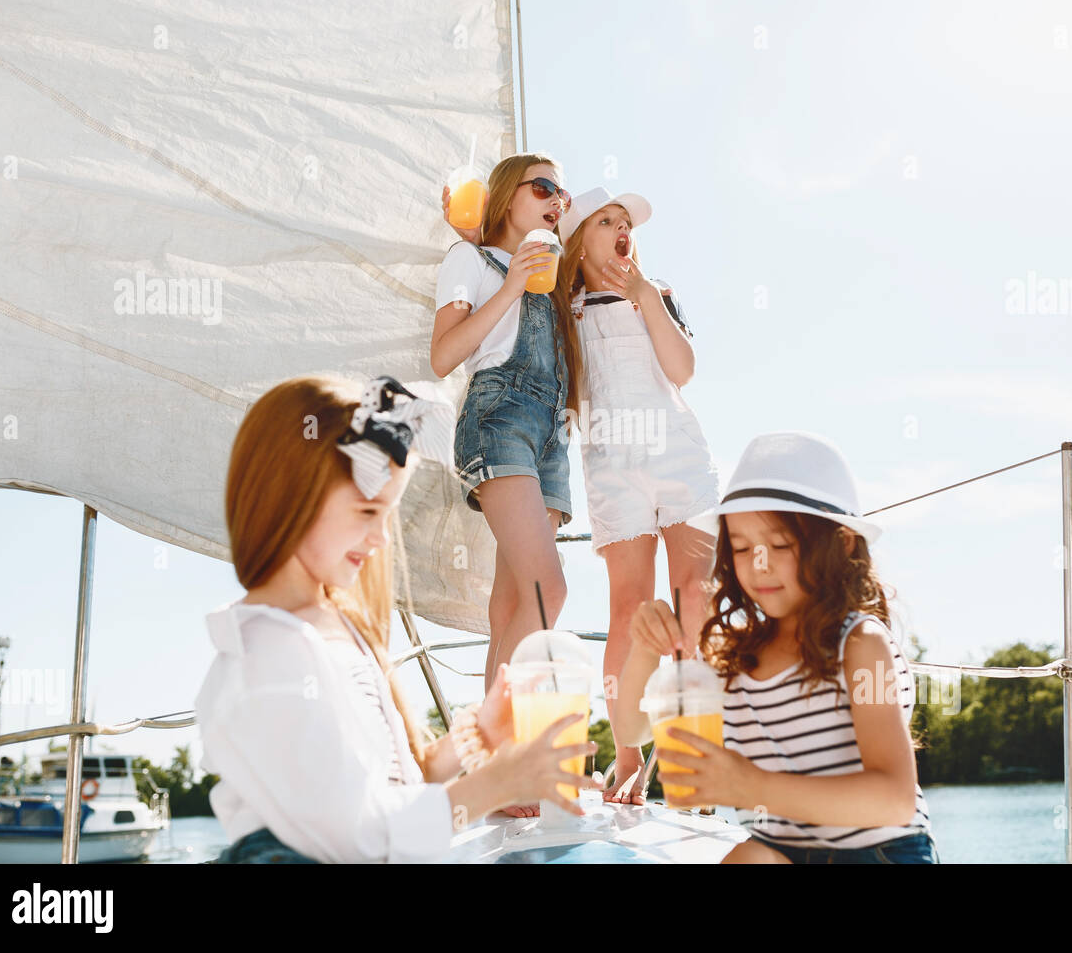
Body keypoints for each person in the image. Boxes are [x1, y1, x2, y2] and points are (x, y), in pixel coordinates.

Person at [195, 374, 597, 863]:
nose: (383, 539)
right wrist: (495, 786)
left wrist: (482, 735)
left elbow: (404, 777)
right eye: (368, 512)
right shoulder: (269, 653)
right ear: (288, 498)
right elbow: (356, 839)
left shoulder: (338, 628)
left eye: (388, 517)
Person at [613, 432, 939, 863]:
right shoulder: (733, 658)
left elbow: (893, 801)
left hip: (878, 852)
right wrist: (644, 649)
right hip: (781, 850)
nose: (758, 564)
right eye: (743, 548)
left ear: (840, 544)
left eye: (780, 545)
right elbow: (631, 730)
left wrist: (750, 787)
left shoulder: (863, 647)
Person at [553, 187, 720, 804]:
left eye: (627, 224)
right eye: (607, 221)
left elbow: (682, 371)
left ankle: (689, 757)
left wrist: (647, 296)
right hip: (612, 464)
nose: (623, 230)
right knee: (629, 609)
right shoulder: (562, 309)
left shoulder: (658, 295)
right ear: (581, 239)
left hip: (677, 455)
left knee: (693, 602)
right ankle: (628, 759)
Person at [432, 154, 584, 697]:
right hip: (499, 417)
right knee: (550, 590)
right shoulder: (470, 260)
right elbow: (444, 355)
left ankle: (488, 751)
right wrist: (510, 284)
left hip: (550, 435)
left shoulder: (555, 277)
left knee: (515, 601)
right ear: (505, 193)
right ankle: (501, 737)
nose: (557, 202)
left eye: (561, 197)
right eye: (544, 188)